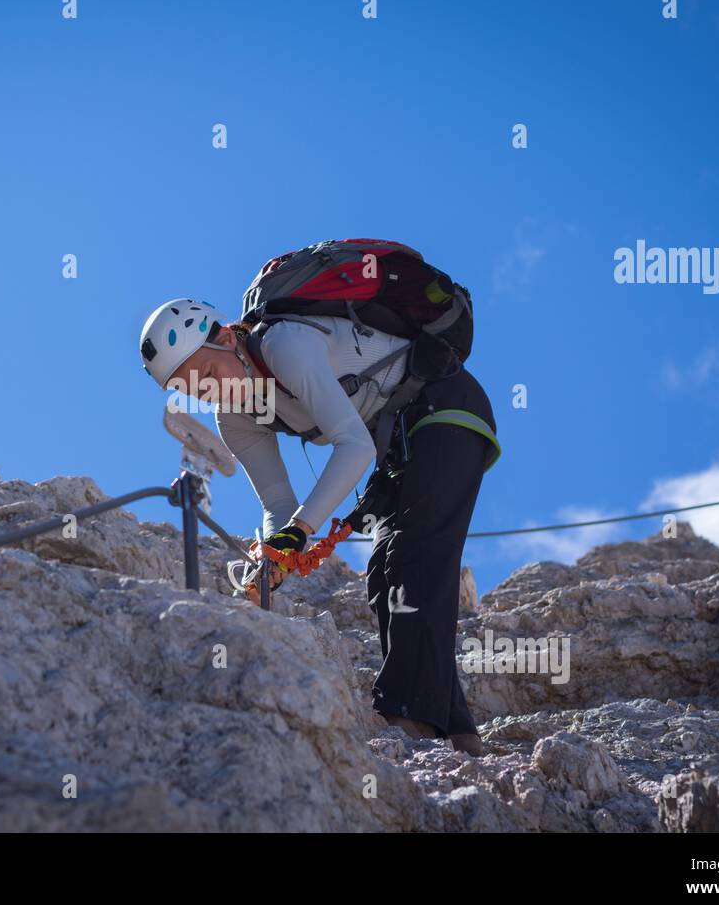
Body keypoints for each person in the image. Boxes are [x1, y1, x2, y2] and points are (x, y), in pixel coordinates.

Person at [138, 297, 498, 754]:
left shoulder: (287, 345)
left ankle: (410, 716)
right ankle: (457, 729)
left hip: (446, 404)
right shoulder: (234, 418)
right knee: (385, 570)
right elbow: (277, 503)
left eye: (209, 375)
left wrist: (300, 530)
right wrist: (269, 557)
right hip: (399, 438)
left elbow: (353, 448)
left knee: (416, 556)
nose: (212, 393)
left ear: (227, 336)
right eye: (197, 391)